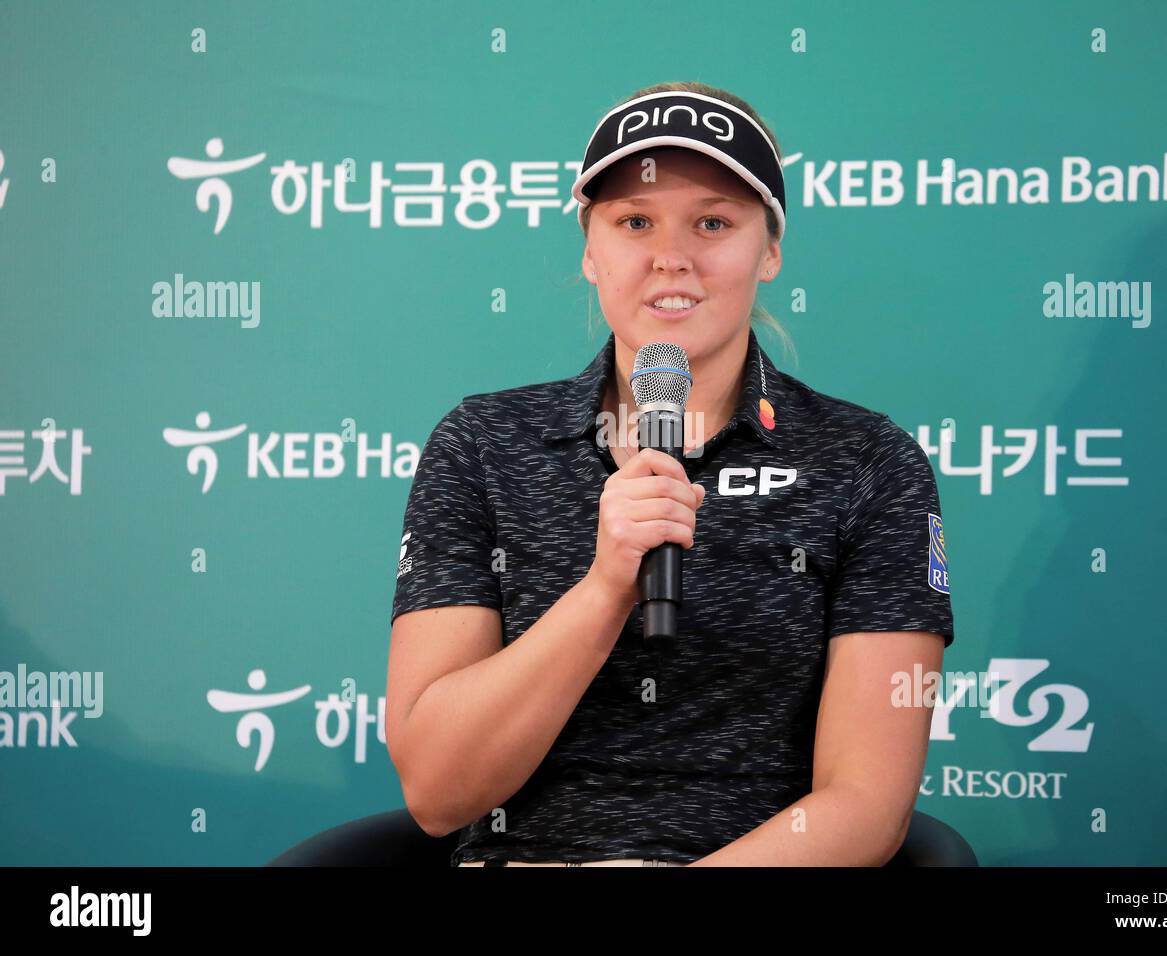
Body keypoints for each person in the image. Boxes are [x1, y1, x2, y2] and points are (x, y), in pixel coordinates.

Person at [385, 82, 954, 867]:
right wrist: (605, 586)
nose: (672, 256)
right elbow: (438, 791)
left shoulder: (866, 462)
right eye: (635, 222)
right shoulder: (484, 444)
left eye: (713, 222)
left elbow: (866, 808)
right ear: (590, 250)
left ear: (771, 249)